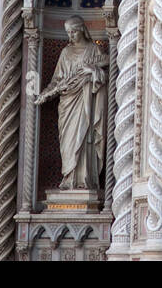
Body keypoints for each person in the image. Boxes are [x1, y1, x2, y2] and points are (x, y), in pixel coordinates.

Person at [34, 15, 108, 191]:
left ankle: (85, 179)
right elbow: (56, 80)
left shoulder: (93, 49)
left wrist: (93, 71)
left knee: (84, 138)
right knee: (68, 143)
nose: (71, 36)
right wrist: (46, 93)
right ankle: (69, 178)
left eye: (74, 31)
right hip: (67, 102)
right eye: (68, 32)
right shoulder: (65, 53)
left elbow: (107, 65)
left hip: (85, 101)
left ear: (82, 29)